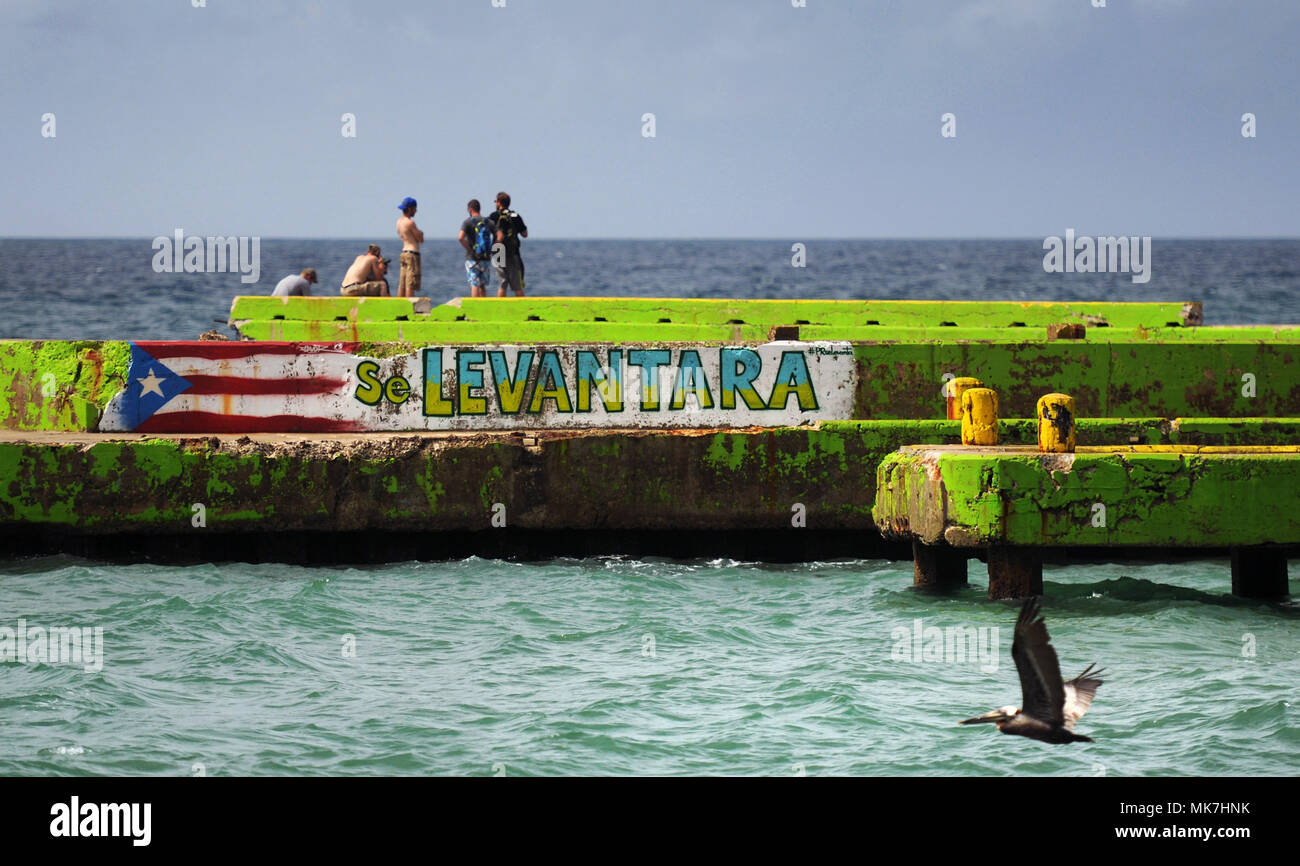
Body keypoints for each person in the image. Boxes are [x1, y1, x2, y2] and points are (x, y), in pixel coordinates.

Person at [487, 191, 527, 297]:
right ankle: (523, 310)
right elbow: (524, 234)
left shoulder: (493, 216)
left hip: (497, 250)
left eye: (496, 201)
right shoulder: (515, 215)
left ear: (499, 202)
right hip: (512, 251)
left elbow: (486, 231)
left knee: (502, 282)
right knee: (516, 284)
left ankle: (500, 310)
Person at [458, 199, 494, 298]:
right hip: (485, 258)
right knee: (482, 285)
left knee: (474, 284)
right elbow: (499, 236)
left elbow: (460, 238)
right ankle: (483, 309)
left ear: (470, 209)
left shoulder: (467, 222)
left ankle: (474, 308)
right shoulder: (488, 222)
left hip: (472, 258)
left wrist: (471, 251)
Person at [395, 196, 423, 297]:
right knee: (410, 283)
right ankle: (409, 307)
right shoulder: (410, 223)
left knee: (402, 283)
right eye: (415, 208)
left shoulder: (398, 222)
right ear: (410, 209)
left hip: (404, 252)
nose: (416, 211)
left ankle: (400, 306)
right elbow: (420, 239)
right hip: (412, 253)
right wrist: (421, 233)